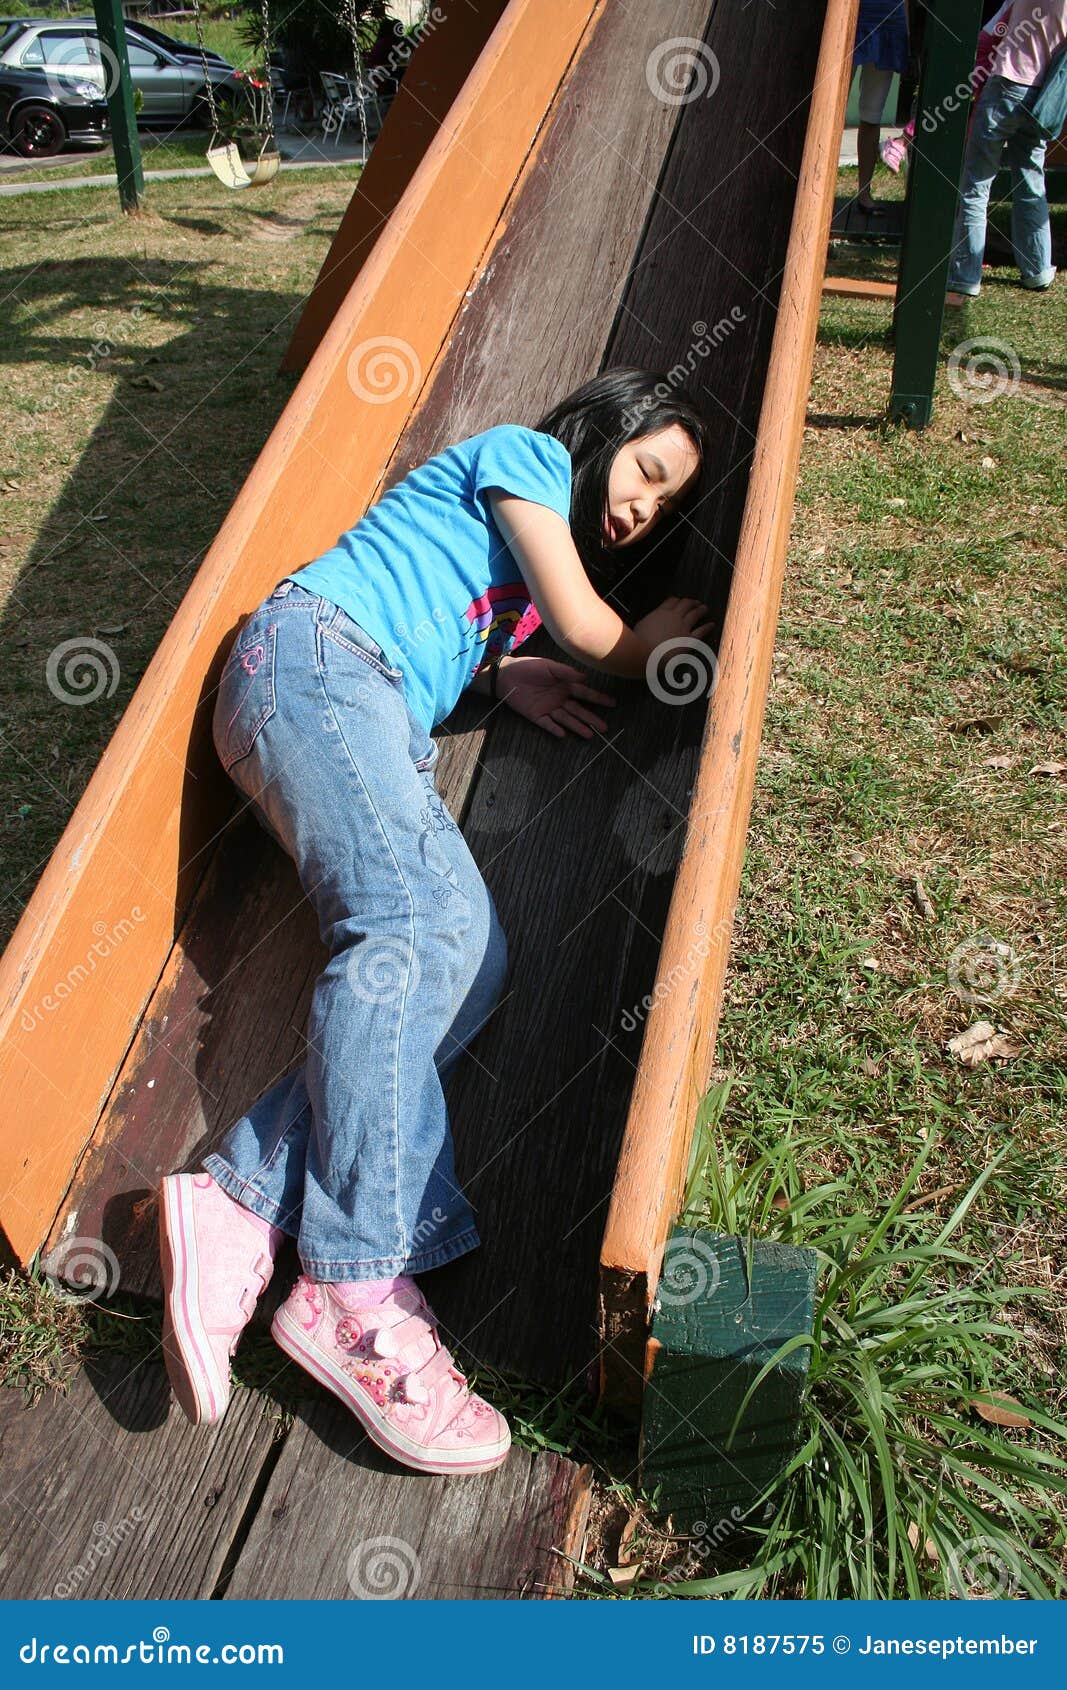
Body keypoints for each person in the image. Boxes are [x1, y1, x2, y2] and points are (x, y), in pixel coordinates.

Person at [158, 369, 710, 1477]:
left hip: (348, 693)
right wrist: (640, 643)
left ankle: (238, 1203)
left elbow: (449, 618)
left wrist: (501, 676)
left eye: (664, 506)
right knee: (414, 920)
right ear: (603, 430)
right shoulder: (526, 455)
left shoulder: (510, 582)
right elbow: (585, 622)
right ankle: (355, 1283)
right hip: (313, 661)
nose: (642, 507)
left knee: (468, 960)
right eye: (646, 471)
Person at [946, 0, 1067, 301]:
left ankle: (965, 275)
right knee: (1031, 181)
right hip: (1044, 95)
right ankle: (1037, 269)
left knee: (976, 185)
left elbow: (993, 30)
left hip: (1007, 83)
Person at [852, 0, 911, 214]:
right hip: (848, 22)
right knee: (829, 114)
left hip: (890, 25)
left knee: (872, 115)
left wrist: (905, 34)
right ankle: (817, 193)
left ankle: (864, 195)